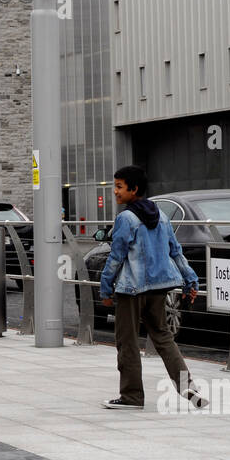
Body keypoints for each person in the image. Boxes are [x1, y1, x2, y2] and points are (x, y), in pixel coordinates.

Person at [98, 164, 207, 410]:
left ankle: (131, 396)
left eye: (119, 187)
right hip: (160, 288)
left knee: (127, 342)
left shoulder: (126, 218)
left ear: (133, 189)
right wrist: (190, 279)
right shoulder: (162, 215)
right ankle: (186, 384)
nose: (115, 192)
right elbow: (176, 252)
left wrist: (105, 289)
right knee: (164, 337)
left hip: (131, 290)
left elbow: (116, 257)